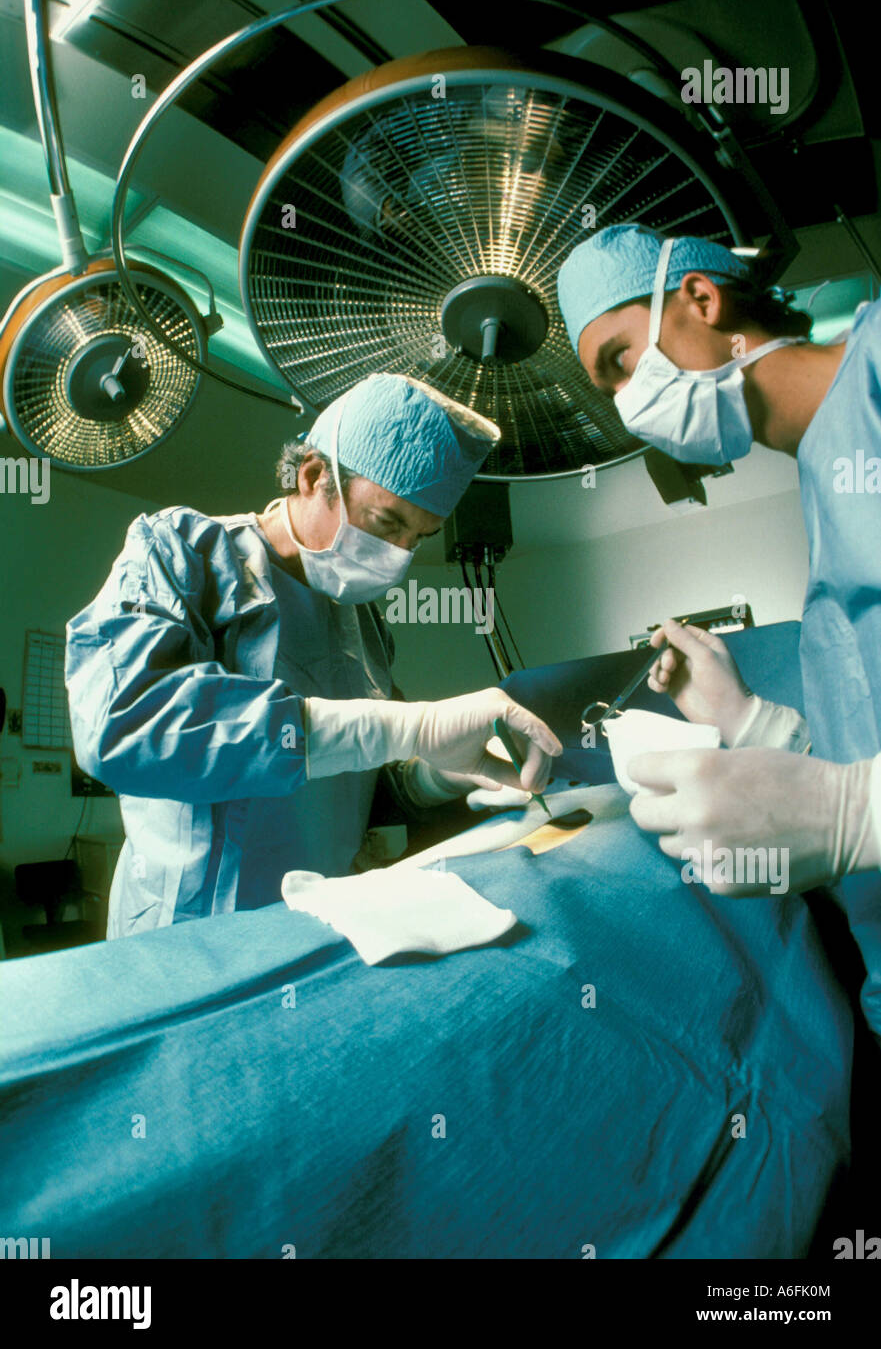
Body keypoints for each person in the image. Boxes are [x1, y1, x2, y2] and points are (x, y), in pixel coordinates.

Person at [66, 372, 561, 937]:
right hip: (187, 933)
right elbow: (123, 727)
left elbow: (356, 783)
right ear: (313, 476)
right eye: (387, 522)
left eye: (420, 536)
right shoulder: (179, 552)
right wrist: (411, 724)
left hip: (322, 924)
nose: (399, 557)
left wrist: (440, 774)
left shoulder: (363, 621)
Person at [557, 223, 881, 1038]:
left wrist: (857, 811)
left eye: (621, 361)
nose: (627, 406)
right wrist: (744, 719)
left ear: (701, 298)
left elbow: (855, 804)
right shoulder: (824, 477)